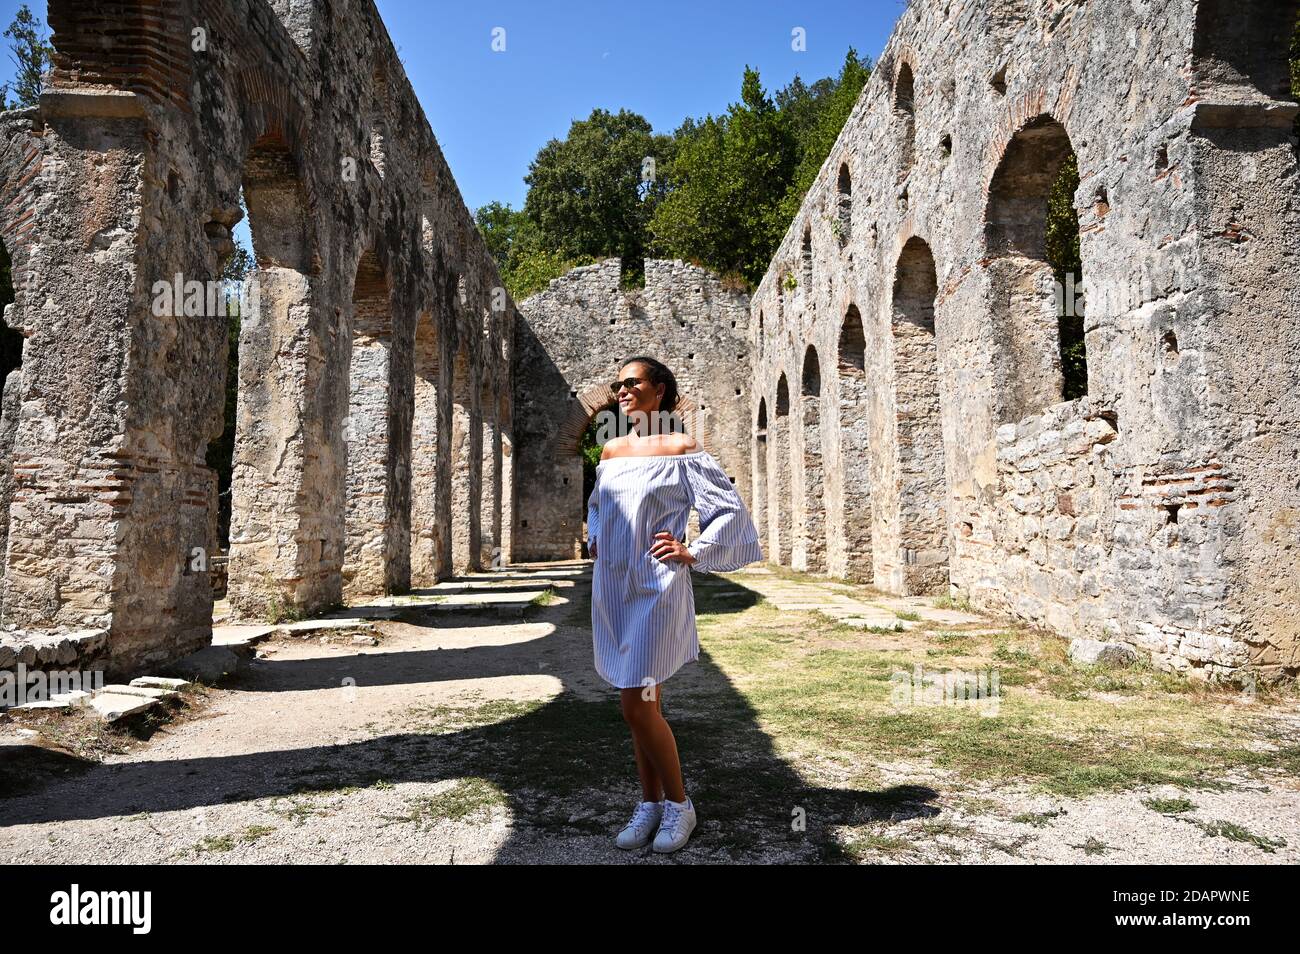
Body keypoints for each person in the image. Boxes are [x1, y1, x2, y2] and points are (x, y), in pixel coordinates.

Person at [585, 356, 763, 853]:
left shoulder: (683, 449)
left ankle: (680, 806)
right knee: (642, 705)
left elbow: (727, 510)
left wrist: (695, 551)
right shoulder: (611, 450)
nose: (621, 390)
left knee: (636, 706)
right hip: (612, 589)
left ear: (659, 390)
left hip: (656, 587)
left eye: (632, 382)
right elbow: (597, 507)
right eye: (617, 383)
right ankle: (650, 803)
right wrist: (596, 538)